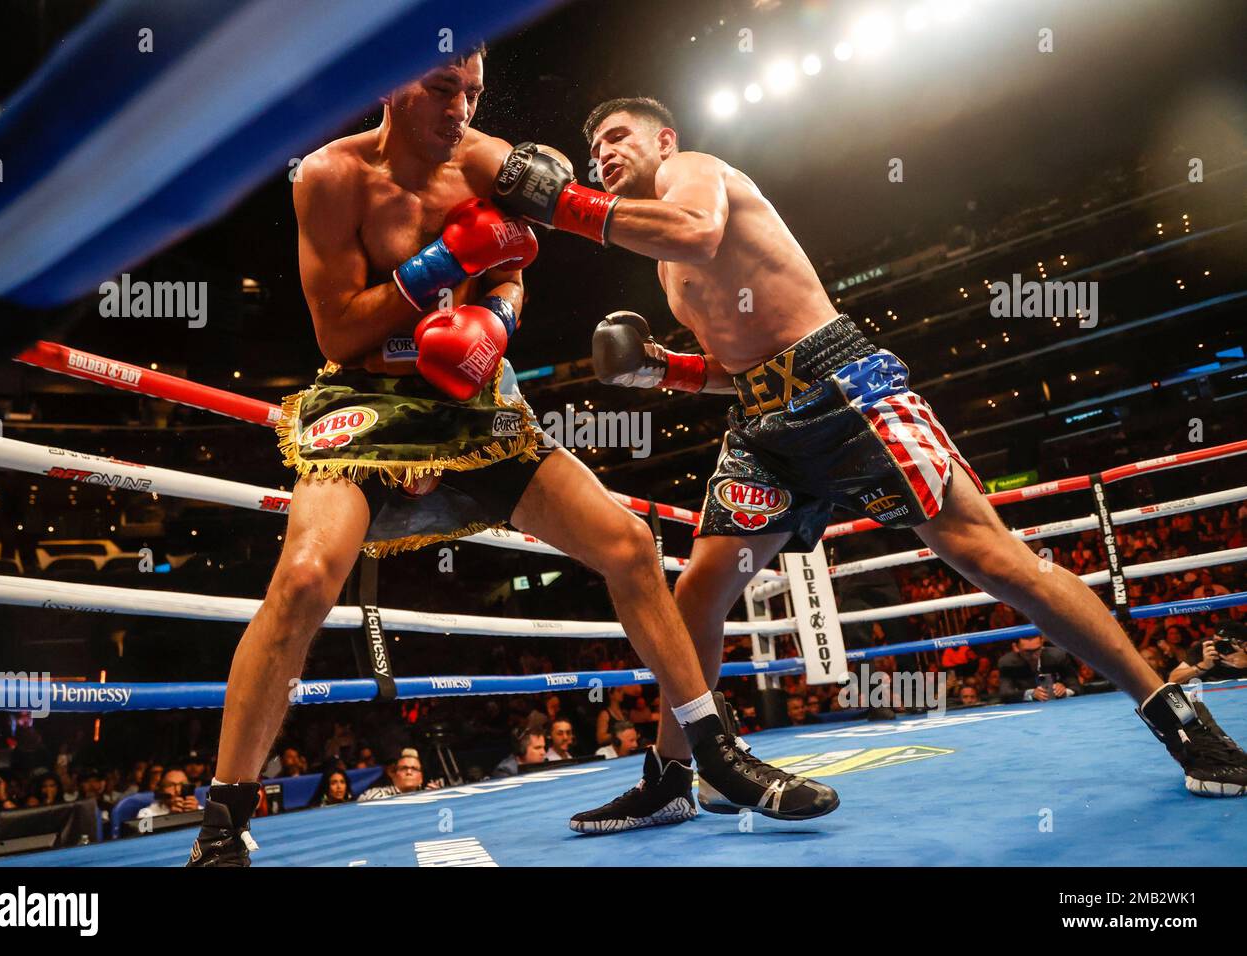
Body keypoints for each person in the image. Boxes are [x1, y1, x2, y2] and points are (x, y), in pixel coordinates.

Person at [487, 96, 1247, 829]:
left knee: (991, 557)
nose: (602, 155)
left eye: (618, 136)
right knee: (699, 591)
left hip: (843, 389)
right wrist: (665, 370)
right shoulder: (662, 266)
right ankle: (674, 775)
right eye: (592, 152)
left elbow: (697, 228)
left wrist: (570, 205)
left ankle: (1178, 718)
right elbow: (733, 363)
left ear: (663, 140)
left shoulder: (696, 172)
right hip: (763, 422)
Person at [187, 58, 832, 865]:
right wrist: (440, 267)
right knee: (308, 578)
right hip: (371, 397)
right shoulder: (328, 175)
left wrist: (493, 318)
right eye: (441, 90)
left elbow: (514, 268)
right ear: (391, 82)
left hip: (476, 395)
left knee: (630, 545)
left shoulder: (489, 161)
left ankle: (708, 754)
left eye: (474, 92)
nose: (461, 109)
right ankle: (223, 823)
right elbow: (340, 333)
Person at [996, 636, 1082, 703]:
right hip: (1027, 710)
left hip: (1058, 707)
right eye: (1028, 652)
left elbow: (1075, 686)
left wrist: (1064, 691)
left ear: (1042, 643)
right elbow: (1005, 694)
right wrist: (1031, 694)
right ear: (1016, 647)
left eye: (1037, 650)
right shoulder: (1007, 663)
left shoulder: (1058, 656)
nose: (1033, 656)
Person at [1170, 621, 1247, 685]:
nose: (1223, 645)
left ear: (1243, 644)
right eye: (1218, 641)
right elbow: (1173, 679)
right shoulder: (1206, 647)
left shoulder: (1244, 650)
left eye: (1228, 642)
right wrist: (1203, 665)